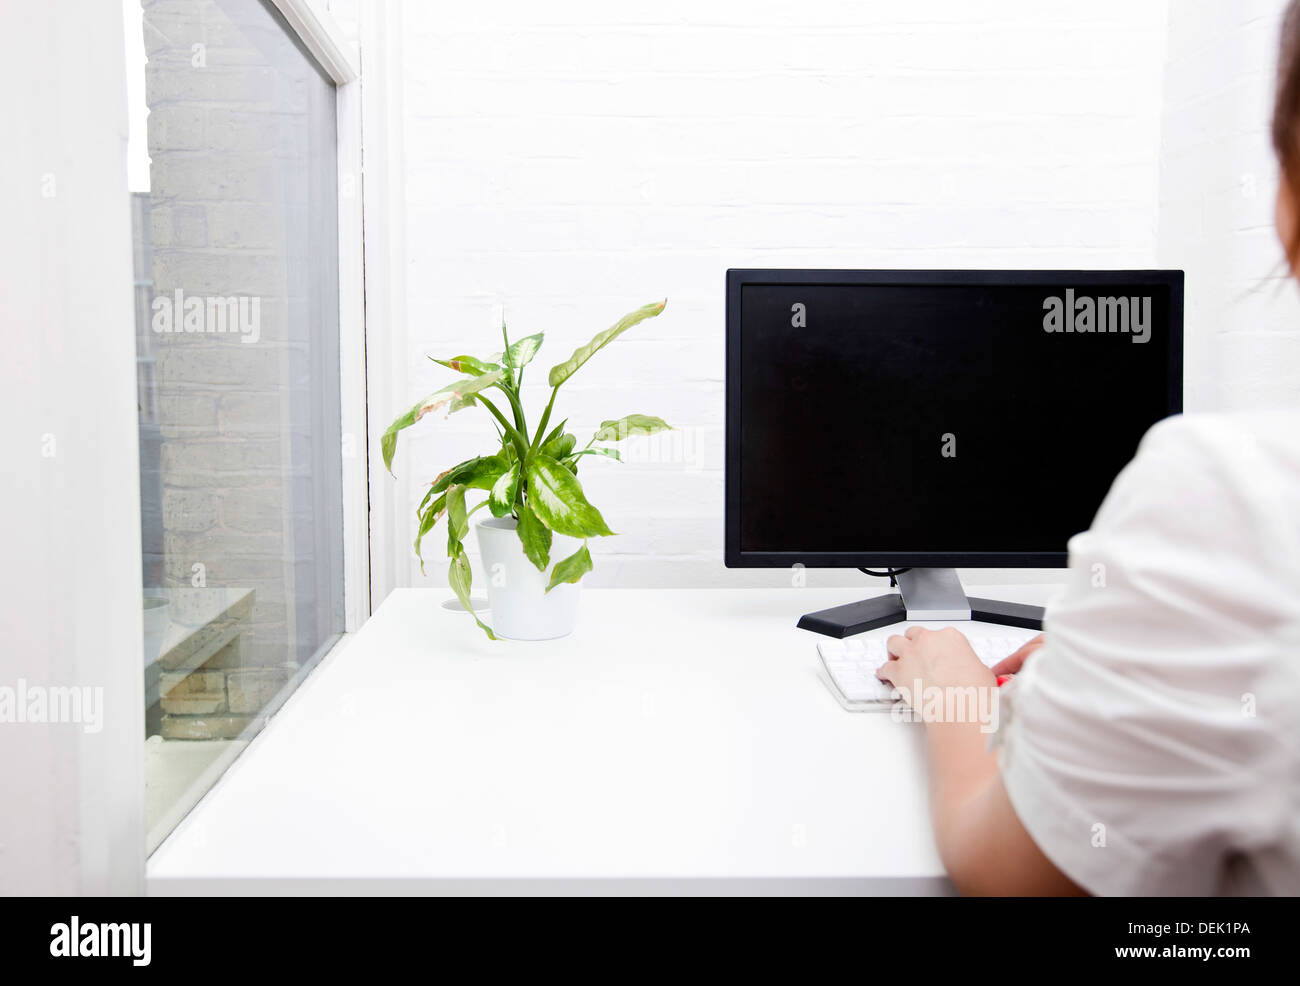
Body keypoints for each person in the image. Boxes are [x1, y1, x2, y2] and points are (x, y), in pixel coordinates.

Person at [877, 3, 1300, 896]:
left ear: (1287, 199)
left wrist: (952, 684)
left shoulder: (1237, 495)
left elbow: (1008, 872)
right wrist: (1118, 663)